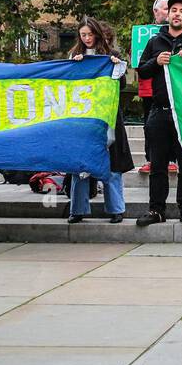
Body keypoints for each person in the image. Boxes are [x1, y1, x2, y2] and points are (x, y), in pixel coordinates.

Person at [134, 0, 182, 227]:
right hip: (159, 112)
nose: (176, 14)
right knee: (158, 166)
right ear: (168, 15)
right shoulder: (155, 41)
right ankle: (156, 210)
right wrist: (156, 61)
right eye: (173, 10)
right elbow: (142, 72)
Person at [65, 18, 132, 224]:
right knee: (80, 165)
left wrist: (116, 68)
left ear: (97, 33)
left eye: (89, 34)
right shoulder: (74, 56)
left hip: (108, 116)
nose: (86, 39)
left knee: (112, 165)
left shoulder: (112, 55)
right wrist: (72, 66)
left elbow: (121, 85)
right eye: (83, 35)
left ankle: (116, 209)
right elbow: (67, 86)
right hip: (83, 118)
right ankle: (77, 209)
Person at [137, 0, 172, 174]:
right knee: (149, 125)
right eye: (166, 9)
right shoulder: (143, 34)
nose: (169, 12)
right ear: (155, 12)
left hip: (170, 87)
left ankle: (172, 159)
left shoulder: (181, 34)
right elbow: (139, 62)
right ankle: (150, 159)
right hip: (148, 87)